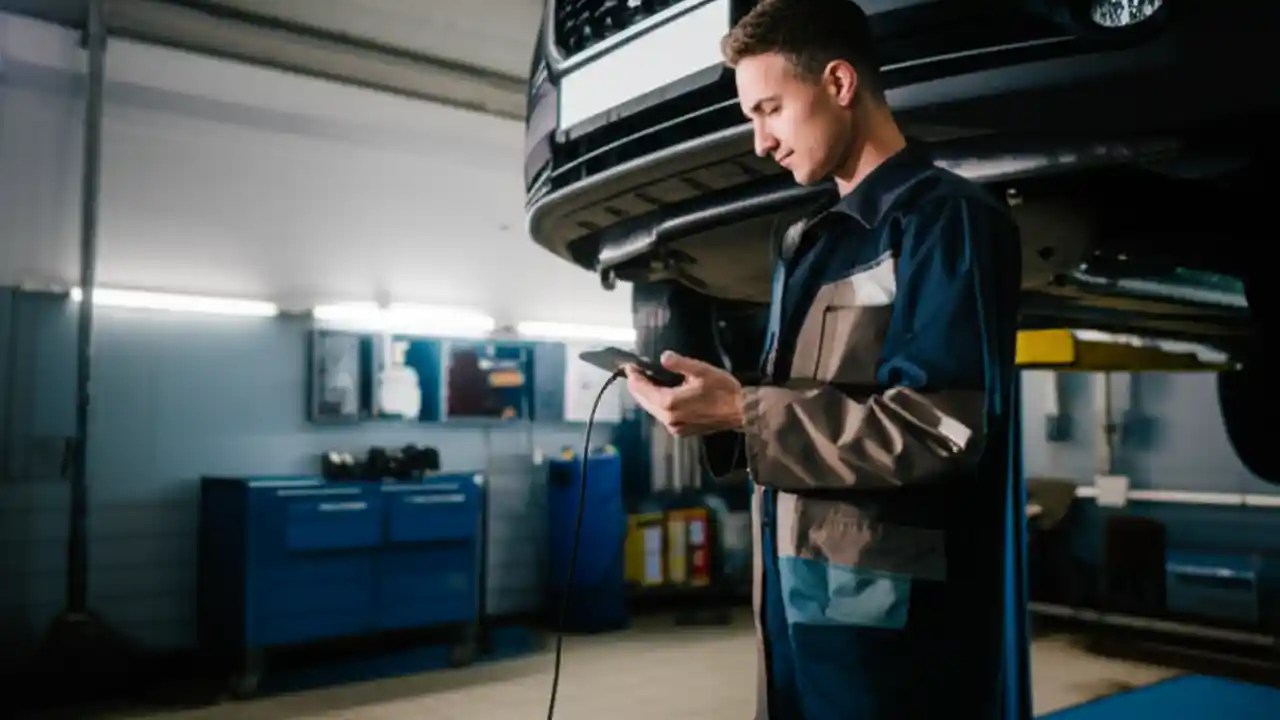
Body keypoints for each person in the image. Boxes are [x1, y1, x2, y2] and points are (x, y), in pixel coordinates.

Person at [621, 1, 1031, 718]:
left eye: (770, 109)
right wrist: (723, 409)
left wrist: (744, 411)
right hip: (798, 615)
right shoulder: (806, 242)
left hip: (899, 643)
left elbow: (940, 431)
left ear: (839, 83)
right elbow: (813, 414)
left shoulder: (946, 221)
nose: (761, 143)